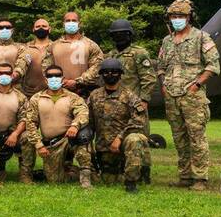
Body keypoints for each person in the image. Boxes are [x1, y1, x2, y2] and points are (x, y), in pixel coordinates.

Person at [156, 0, 220, 191]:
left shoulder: (201, 37)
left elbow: (213, 65)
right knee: (179, 138)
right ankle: (184, 176)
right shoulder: (167, 41)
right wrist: (163, 84)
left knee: (197, 137)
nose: (177, 19)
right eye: (174, 16)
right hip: (172, 97)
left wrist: (197, 84)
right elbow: (160, 66)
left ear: (189, 17)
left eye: (181, 16)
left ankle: (200, 178)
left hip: (192, 97)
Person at [22, 64, 92, 188]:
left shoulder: (72, 97)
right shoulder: (36, 99)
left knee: (83, 137)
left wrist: (75, 126)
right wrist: (39, 145)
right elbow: (30, 123)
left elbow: (83, 113)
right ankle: (71, 170)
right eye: (50, 76)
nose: (54, 78)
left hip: (69, 138)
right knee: (55, 180)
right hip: (52, 143)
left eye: (57, 75)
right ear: (45, 79)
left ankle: (86, 178)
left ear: (62, 78)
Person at [87, 58, 151, 193]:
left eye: (114, 72)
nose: (110, 75)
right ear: (101, 75)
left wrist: (120, 138)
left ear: (120, 74)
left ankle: (131, 182)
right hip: (104, 147)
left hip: (123, 144)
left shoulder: (130, 96)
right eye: (106, 72)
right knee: (109, 180)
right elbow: (90, 122)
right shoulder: (94, 95)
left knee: (135, 139)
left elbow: (139, 121)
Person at [106, 17, 157, 183]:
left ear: (130, 35)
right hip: (116, 105)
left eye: (123, 34)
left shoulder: (139, 53)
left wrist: (144, 101)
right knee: (118, 137)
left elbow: (148, 78)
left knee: (140, 137)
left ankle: (144, 172)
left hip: (136, 105)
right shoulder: (110, 55)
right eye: (116, 34)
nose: (119, 37)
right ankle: (124, 168)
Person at [42, 10, 102, 97]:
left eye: (74, 21)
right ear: (63, 24)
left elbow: (97, 66)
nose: (71, 23)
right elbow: (46, 67)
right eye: (68, 21)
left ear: (79, 23)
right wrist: (60, 81)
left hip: (84, 93)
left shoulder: (90, 45)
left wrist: (78, 81)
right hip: (60, 93)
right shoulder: (53, 46)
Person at [0, 18, 31, 90]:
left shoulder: (21, 49)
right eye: (0, 27)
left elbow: (20, 68)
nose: (4, 29)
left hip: (15, 89)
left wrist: (4, 80)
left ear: (12, 30)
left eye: (7, 27)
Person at [23, 17, 52, 96]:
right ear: (33, 29)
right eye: (38, 26)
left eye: (44, 26)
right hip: (28, 93)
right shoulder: (24, 48)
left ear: (49, 29)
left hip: (51, 92)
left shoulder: (56, 47)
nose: (41, 28)